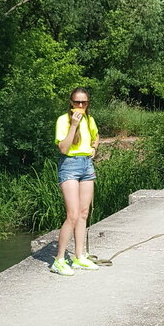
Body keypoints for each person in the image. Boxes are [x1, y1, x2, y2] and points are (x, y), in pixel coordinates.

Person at [51, 88, 100, 275]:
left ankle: (79, 257)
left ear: (88, 103)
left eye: (84, 102)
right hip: (70, 165)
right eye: (77, 102)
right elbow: (63, 148)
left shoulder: (89, 119)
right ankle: (59, 260)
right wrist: (73, 125)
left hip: (86, 165)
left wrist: (94, 148)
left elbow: (96, 135)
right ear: (71, 102)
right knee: (72, 214)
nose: (80, 105)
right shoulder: (63, 120)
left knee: (83, 213)